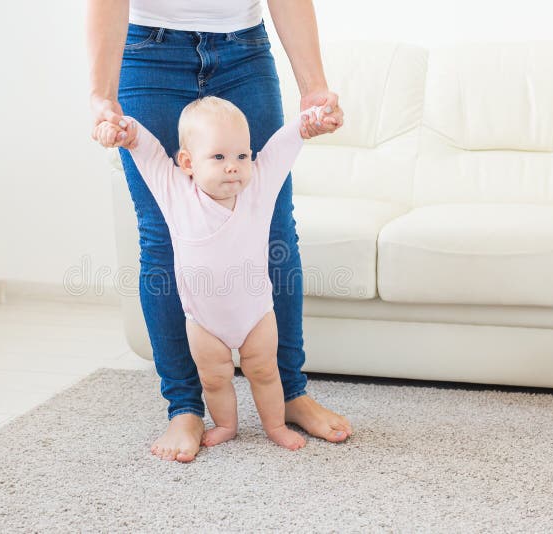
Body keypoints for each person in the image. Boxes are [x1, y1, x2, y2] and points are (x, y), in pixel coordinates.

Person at [86, 0, 353, 462]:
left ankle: (290, 392)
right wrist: (103, 95)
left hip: (243, 48)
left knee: (275, 228)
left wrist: (314, 89)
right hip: (148, 51)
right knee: (160, 235)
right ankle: (185, 407)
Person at [94, 96, 326, 450]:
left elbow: (280, 149)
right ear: (188, 162)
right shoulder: (176, 194)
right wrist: (129, 133)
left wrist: (304, 125)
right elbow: (150, 154)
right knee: (214, 379)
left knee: (264, 372)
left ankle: (276, 426)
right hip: (203, 321)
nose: (233, 167)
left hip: (257, 316)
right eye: (218, 157)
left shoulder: (257, 191)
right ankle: (227, 426)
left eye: (242, 156)